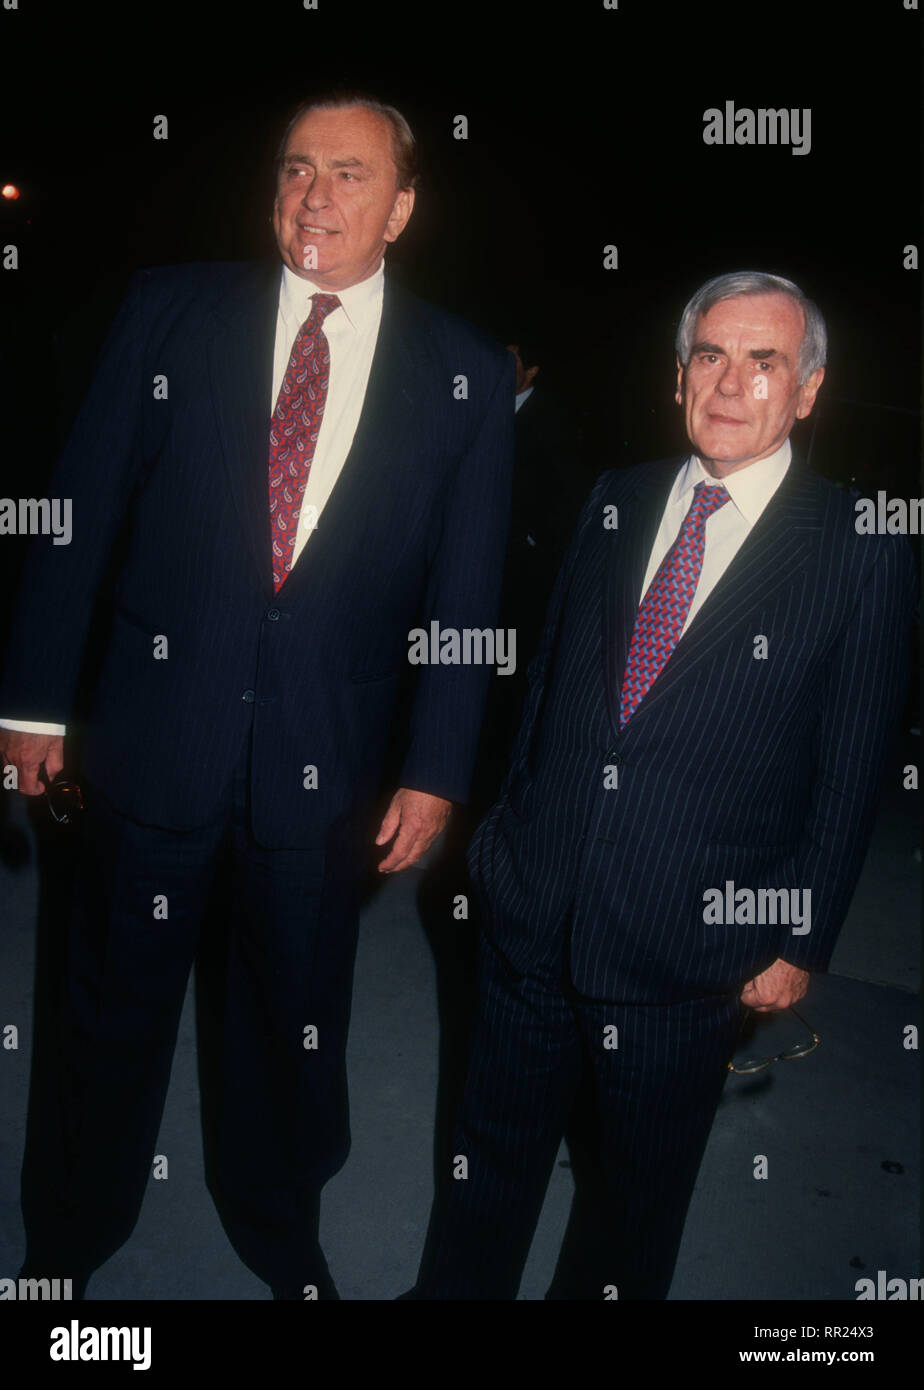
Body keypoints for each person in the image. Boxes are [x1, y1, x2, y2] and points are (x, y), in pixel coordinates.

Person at [0, 92, 514, 1300]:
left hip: (323, 768)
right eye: (295, 170)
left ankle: (278, 1225)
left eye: (347, 173)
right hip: (148, 743)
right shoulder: (172, 312)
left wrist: (438, 764)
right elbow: (74, 521)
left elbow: (468, 590)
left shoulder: (466, 373)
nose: (314, 196)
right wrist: (31, 701)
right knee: (103, 1014)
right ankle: (68, 1238)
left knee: (289, 1021)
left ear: (403, 205)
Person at [411, 271, 917, 1300]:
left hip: (691, 945)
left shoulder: (858, 546)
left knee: (634, 1200)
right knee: (486, 1159)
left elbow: (854, 762)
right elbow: (552, 684)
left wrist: (797, 938)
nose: (731, 383)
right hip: (533, 909)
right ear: (678, 375)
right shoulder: (618, 494)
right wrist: (504, 840)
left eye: (763, 361)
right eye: (709, 355)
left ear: (808, 390)